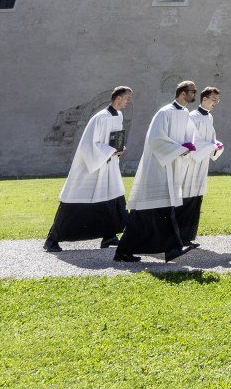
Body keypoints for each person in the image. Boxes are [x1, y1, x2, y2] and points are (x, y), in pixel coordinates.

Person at [114, 81, 201, 263]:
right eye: (193, 91)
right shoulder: (165, 112)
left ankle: (169, 249)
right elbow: (155, 139)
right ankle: (131, 251)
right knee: (146, 212)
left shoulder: (185, 113)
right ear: (183, 93)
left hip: (172, 165)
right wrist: (179, 148)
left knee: (159, 210)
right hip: (157, 167)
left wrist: (188, 147)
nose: (195, 94)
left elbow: (189, 136)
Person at [45, 86, 131, 253]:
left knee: (111, 198)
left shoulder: (119, 116)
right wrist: (111, 150)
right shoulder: (99, 118)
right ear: (118, 98)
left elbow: (115, 139)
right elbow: (89, 145)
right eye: (127, 98)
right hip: (90, 168)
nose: (128, 102)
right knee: (76, 202)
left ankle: (109, 236)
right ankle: (52, 239)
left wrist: (119, 149)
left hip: (108, 166)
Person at [175, 86, 224, 246]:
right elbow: (191, 141)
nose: (215, 103)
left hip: (201, 164)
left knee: (196, 199)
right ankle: (178, 237)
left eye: (217, 100)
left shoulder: (209, 118)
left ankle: (188, 236)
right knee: (187, 199)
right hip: (190, 164)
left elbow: (209, 139)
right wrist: (211, 146)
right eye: (213, 100)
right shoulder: (192, 117)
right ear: (204, 99)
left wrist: (216, 144)